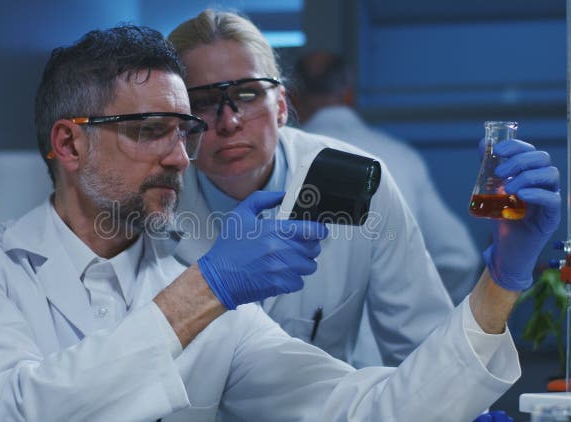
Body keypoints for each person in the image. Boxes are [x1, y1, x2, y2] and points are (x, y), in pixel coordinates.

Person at [0, 24, 559, 421]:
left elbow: (371, 410)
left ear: (282, 105)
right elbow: (20, 412)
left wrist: (502, 278)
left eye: (182, 131)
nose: (179, 154)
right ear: (70, 143)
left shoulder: (210, 305)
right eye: (149, 130)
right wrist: (209, 289)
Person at [167, 9, 452, 368]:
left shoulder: (360, 182)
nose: (230, 121)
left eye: (249, 94)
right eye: (203, 103)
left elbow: (424, 352)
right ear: (176, 120)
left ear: (282, 106)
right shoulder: (155, 201)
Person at [292, 50, 481, 305]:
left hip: (300, 339)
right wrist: (431, 319)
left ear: (291, 98)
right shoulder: (402, 157)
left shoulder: (283, 161)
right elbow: (460, 258)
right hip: (392, 340)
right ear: (349, 95)